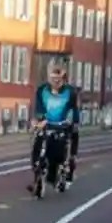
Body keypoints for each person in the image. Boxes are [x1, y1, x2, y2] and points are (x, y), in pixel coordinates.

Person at [31, 60, 81, 189]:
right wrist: (38, 119)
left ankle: (70, 162)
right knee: (38, 144)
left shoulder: (70, 92)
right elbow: (38, 107)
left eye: (58, 79)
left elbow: (73, 109)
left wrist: (73, 121)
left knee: (67, 141)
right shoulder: (42, 90)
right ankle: (37, 173)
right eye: (53, 78)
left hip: (62, 125)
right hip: (47, 124)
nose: (55, 82)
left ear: (63, 78)